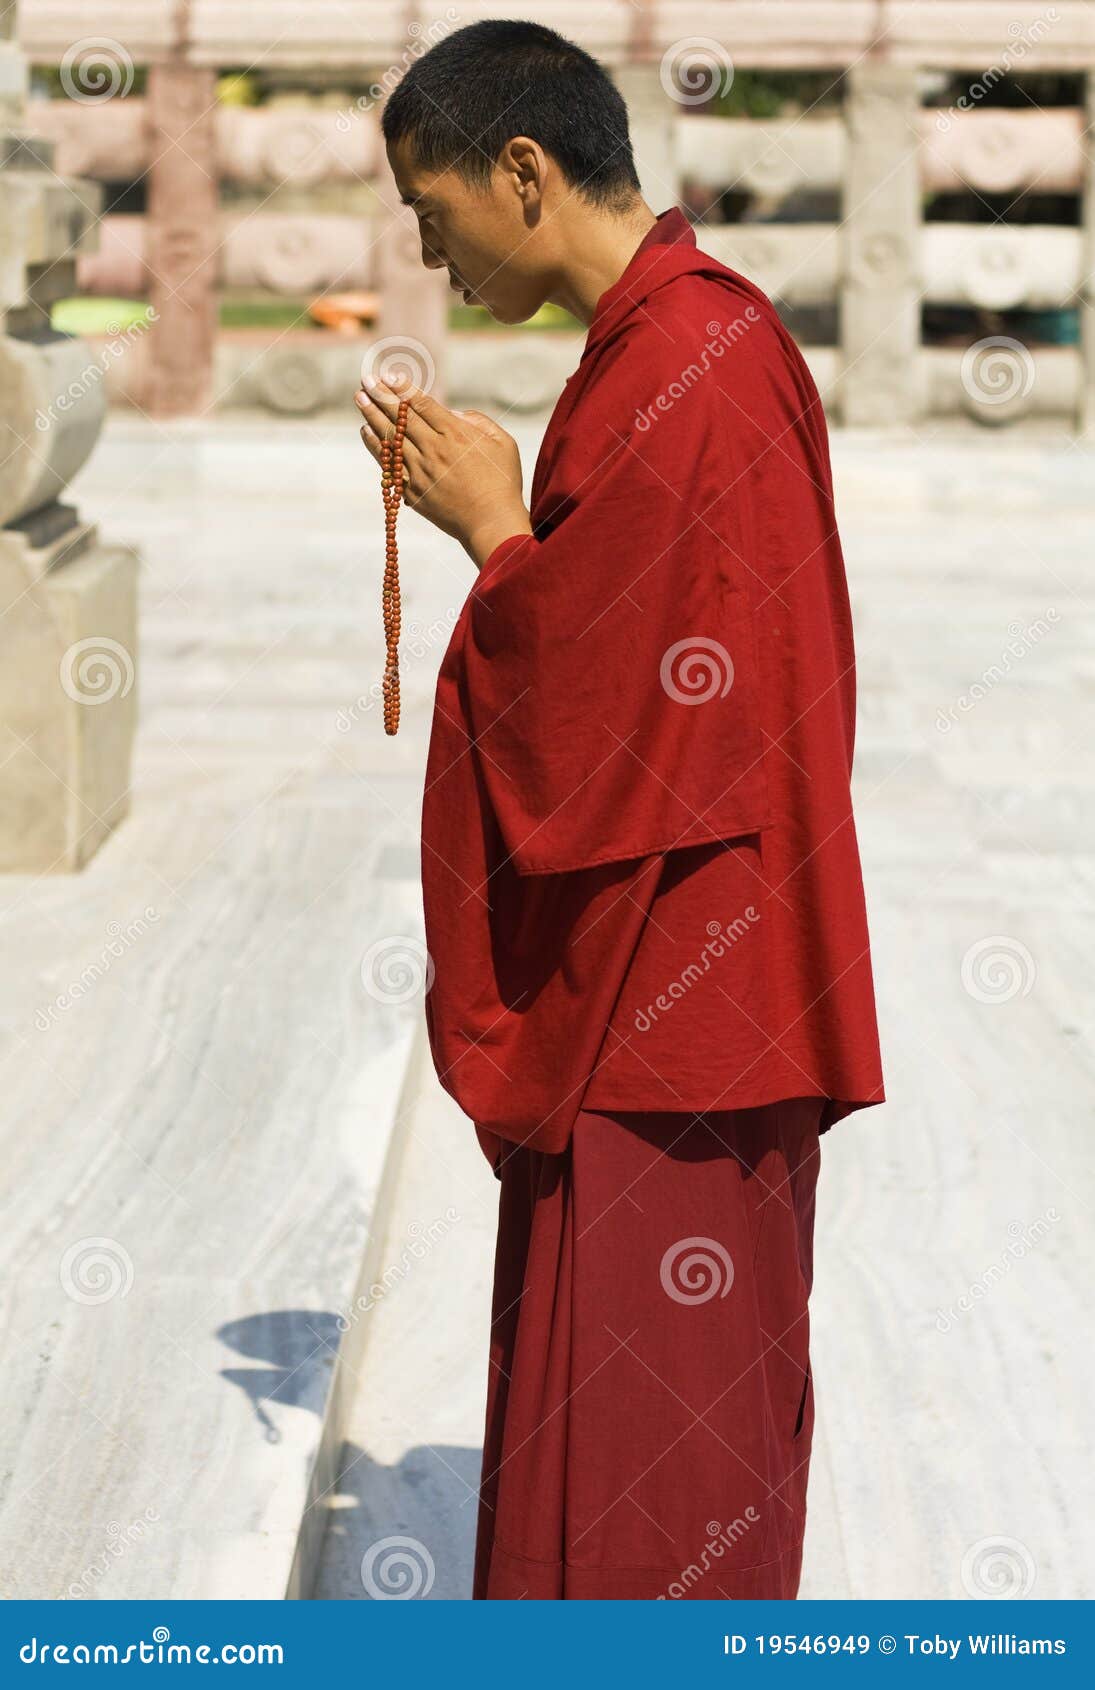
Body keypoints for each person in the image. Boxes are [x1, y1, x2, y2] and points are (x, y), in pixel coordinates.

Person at [355, 18, 884, 1601]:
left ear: (524, 172)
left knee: (644, 1484)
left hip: (677, 1016)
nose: (432, 260)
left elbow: (598, 724)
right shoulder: (689, 344)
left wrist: (499, 538)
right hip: (689, 991)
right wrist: (524, 533)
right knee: (632, 1447)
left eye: (435, 216)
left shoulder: (682, 367)